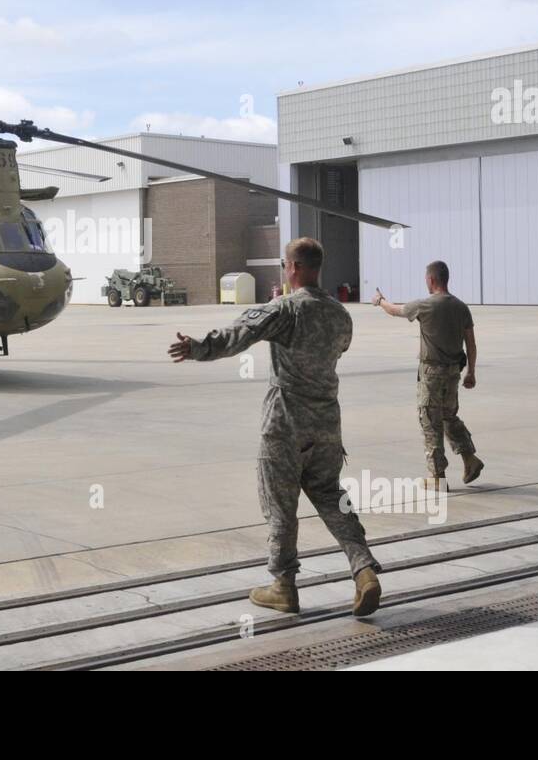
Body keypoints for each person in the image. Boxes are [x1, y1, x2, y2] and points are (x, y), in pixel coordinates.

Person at [167, 237, 381, 617]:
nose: (285, 271)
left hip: (286, 423)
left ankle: (283, 586)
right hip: (327, 425)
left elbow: (239, 336)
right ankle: (363, 568)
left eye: (285, 265)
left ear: (294, 268)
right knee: (332, 497)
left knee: (280, 506)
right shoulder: (339, 314)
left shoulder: (285, 309)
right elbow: (340, 349)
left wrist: (198, 348)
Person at [373, 260, 483, 486]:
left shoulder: (425, 306)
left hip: (432, 373)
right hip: (454, 372)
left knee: (430, 421)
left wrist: (380, 301)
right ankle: (470, 458)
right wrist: (471, 372)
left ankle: (437, 477)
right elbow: (471, 343)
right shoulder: (461, 307)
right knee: (448, 417)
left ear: (431, 280)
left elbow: (395, 310)